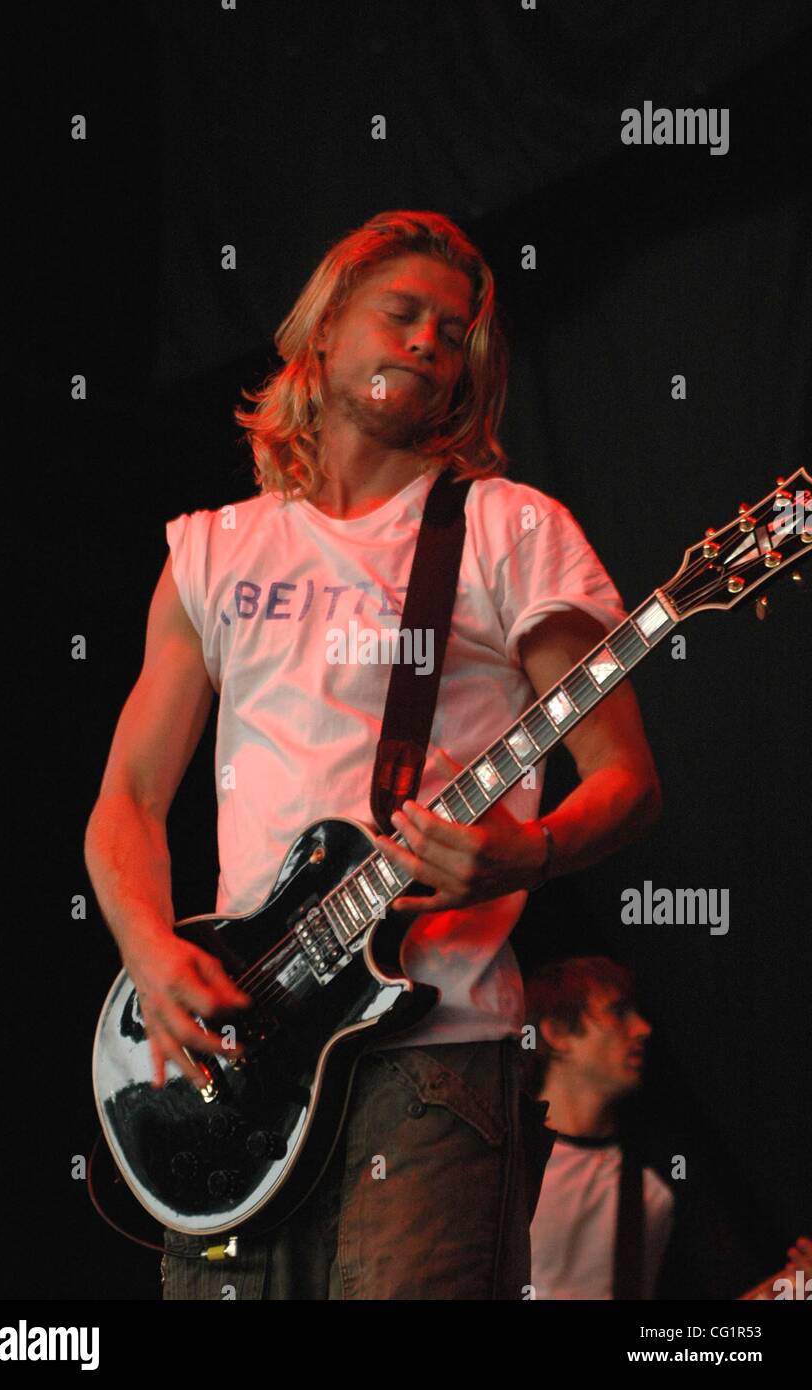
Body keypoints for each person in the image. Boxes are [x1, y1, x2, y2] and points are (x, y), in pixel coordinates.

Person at [84, 209, 662, 1300]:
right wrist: (153, 956)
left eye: (453, 336)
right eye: (401, 315)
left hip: (432, 1058)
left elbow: (628, 779)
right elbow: (128, 795)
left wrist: (526, 852)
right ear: (324, 326)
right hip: (240, 1047)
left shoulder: (509, 529)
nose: (427, 344)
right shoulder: (213, 549)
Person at [522, 956, 674, 1300]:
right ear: (558, 1032)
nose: (643, 1028)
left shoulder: (649, 1196)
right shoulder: (492, 1165)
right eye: (619, 1012)